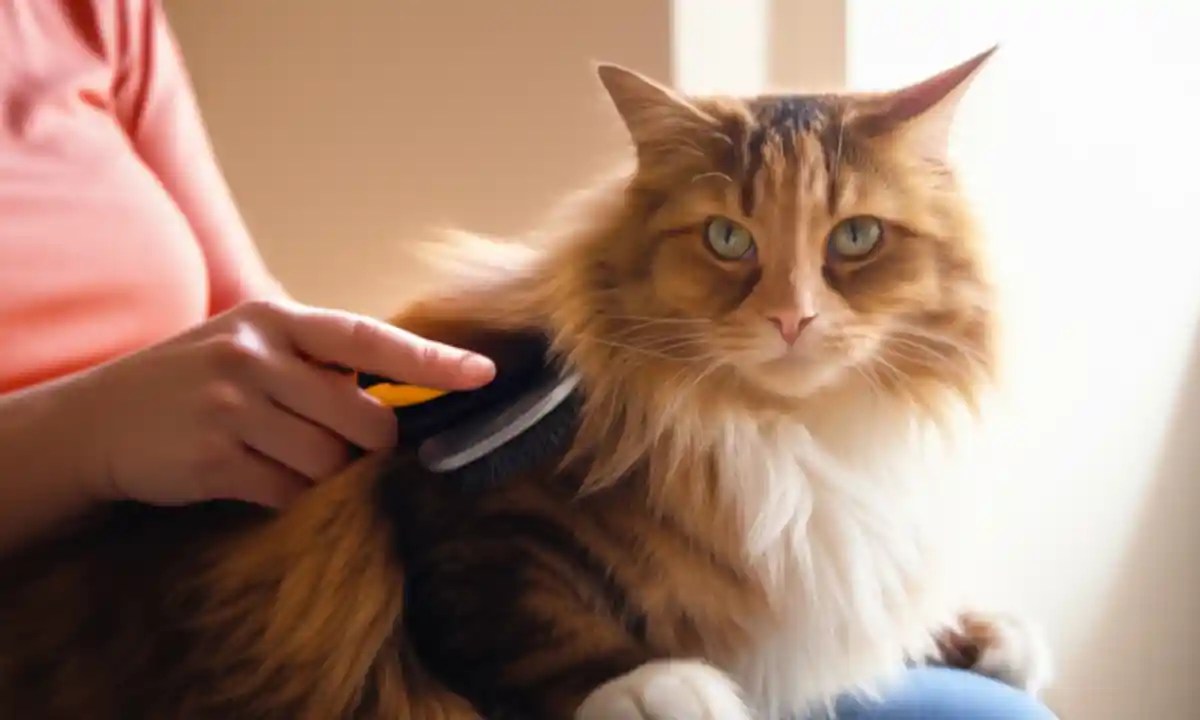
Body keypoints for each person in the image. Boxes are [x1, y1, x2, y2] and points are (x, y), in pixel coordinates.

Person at [0, 2, 1056, 718]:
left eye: (852, 246)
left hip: (212, 500)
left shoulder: (96, 14)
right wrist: (81, 437)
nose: (789, 310)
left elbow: (255, 323)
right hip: (98, 617)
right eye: (730, 247)